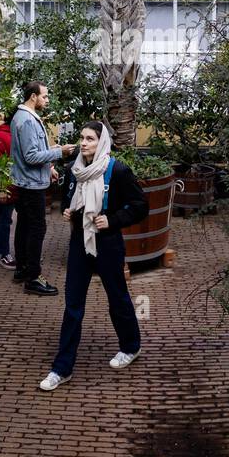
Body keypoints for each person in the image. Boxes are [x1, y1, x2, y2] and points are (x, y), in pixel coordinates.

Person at [39, 120, 146, 391]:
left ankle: (131, 346)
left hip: (108, 244)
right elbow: (69, 198)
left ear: (102, 143)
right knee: (73, 304)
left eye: (90, 139)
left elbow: (140, 206)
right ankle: (62, 369)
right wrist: (67, 211)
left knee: (117, 297)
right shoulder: (76, 170)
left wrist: (113, 219)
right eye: (82, 138)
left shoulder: (117, 171)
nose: (84, 143)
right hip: (79, 243)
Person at [10, 81, 77, 295]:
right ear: (33, 97)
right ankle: (33, 278)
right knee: (37, 229)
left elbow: (31, 151)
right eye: (45, 97)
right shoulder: (28, 120)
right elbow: (30, 157)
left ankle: (21, 270)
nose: (47, 100)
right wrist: (60, 153)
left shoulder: (21, 117)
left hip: (25, 181)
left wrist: (48, 164)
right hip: (32, 185)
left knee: (24, 227)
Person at [0, 106, 18, 269]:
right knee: (4, 220)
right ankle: (4, 254)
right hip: (7, 188)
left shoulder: (20, 133)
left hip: (23, 186)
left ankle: (25, 252)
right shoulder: (1, 136)